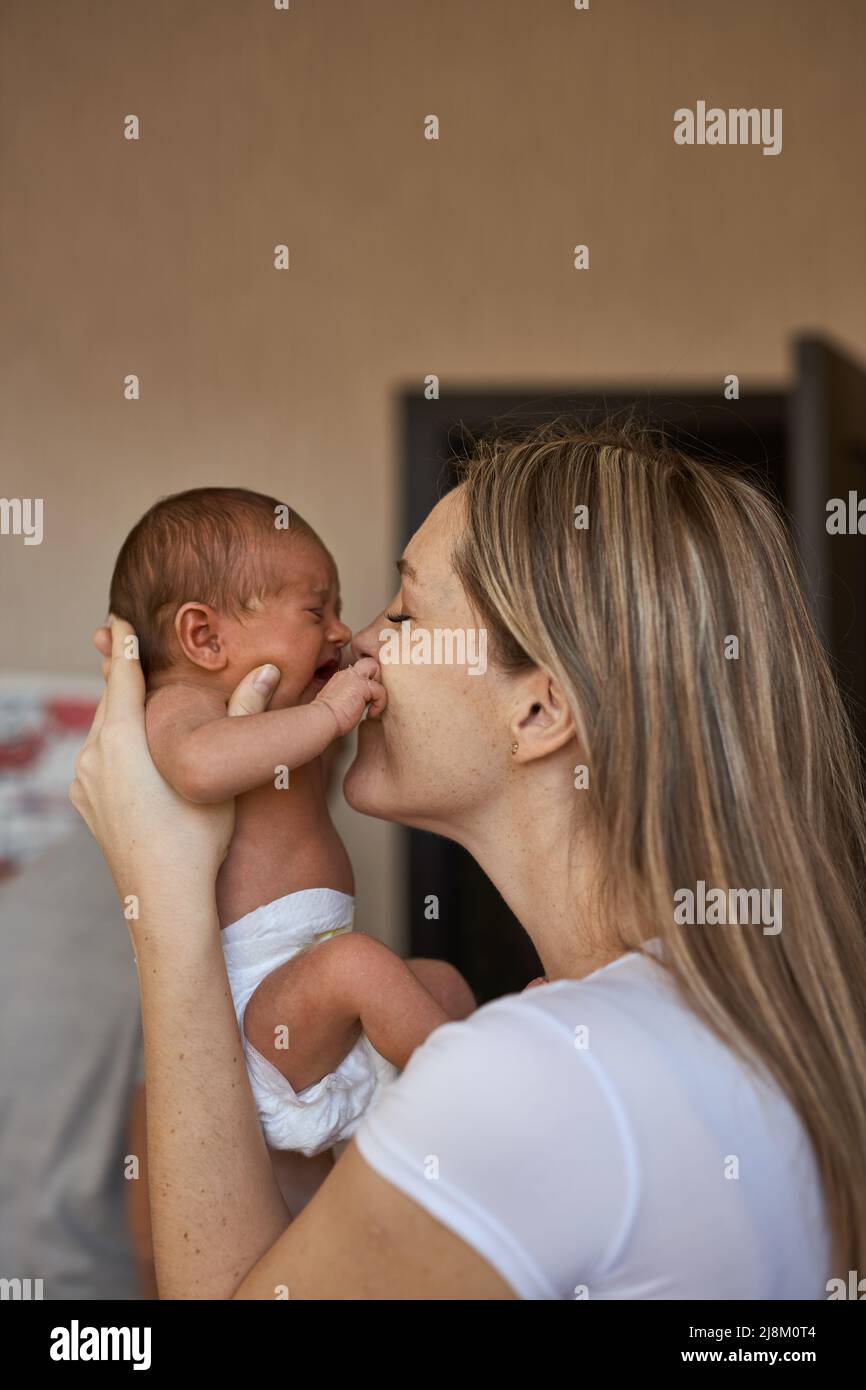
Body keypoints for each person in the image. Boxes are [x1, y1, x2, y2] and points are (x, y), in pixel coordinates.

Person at [69, 421, 866, 1299]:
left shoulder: (538, 1075)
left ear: (539, 714)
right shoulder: (688, 1019)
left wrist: (163, 884)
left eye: (406, 614)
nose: (357, 643)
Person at [106, 487, 474, 1158]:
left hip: (311, 992)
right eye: (315, 610)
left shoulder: (288, 708)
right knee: (358, 965)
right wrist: (329, 716)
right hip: (256, 1010)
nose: (338, 629)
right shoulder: (181, 705)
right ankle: (486, 1098)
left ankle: (452, 1133)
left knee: (441, 981)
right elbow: (196, 767)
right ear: (204, 637)